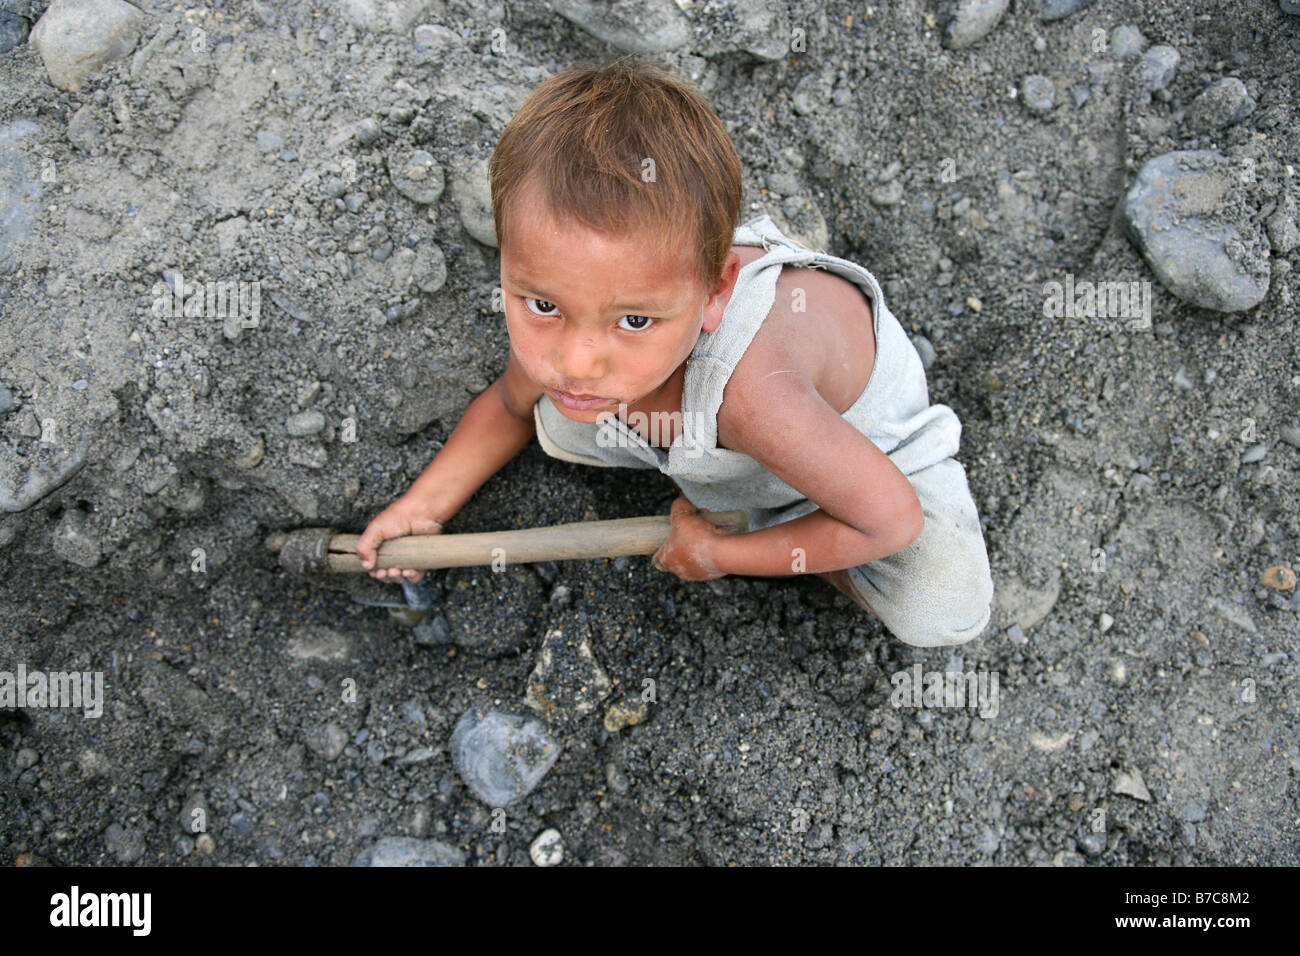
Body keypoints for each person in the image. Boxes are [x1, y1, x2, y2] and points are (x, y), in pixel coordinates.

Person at [356, 58, 994, 648]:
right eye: (542, 305)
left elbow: (890, 522)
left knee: (943, 605)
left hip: (856, 447)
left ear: (715, 291)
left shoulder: (754, 393)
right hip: (689, 411)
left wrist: (723, 555)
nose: (576, 360)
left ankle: (791, 518)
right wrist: (423, 506)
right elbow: (507, 404)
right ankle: (725, 479)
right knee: (555, 417)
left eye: (633, 319)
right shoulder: (587, 324)